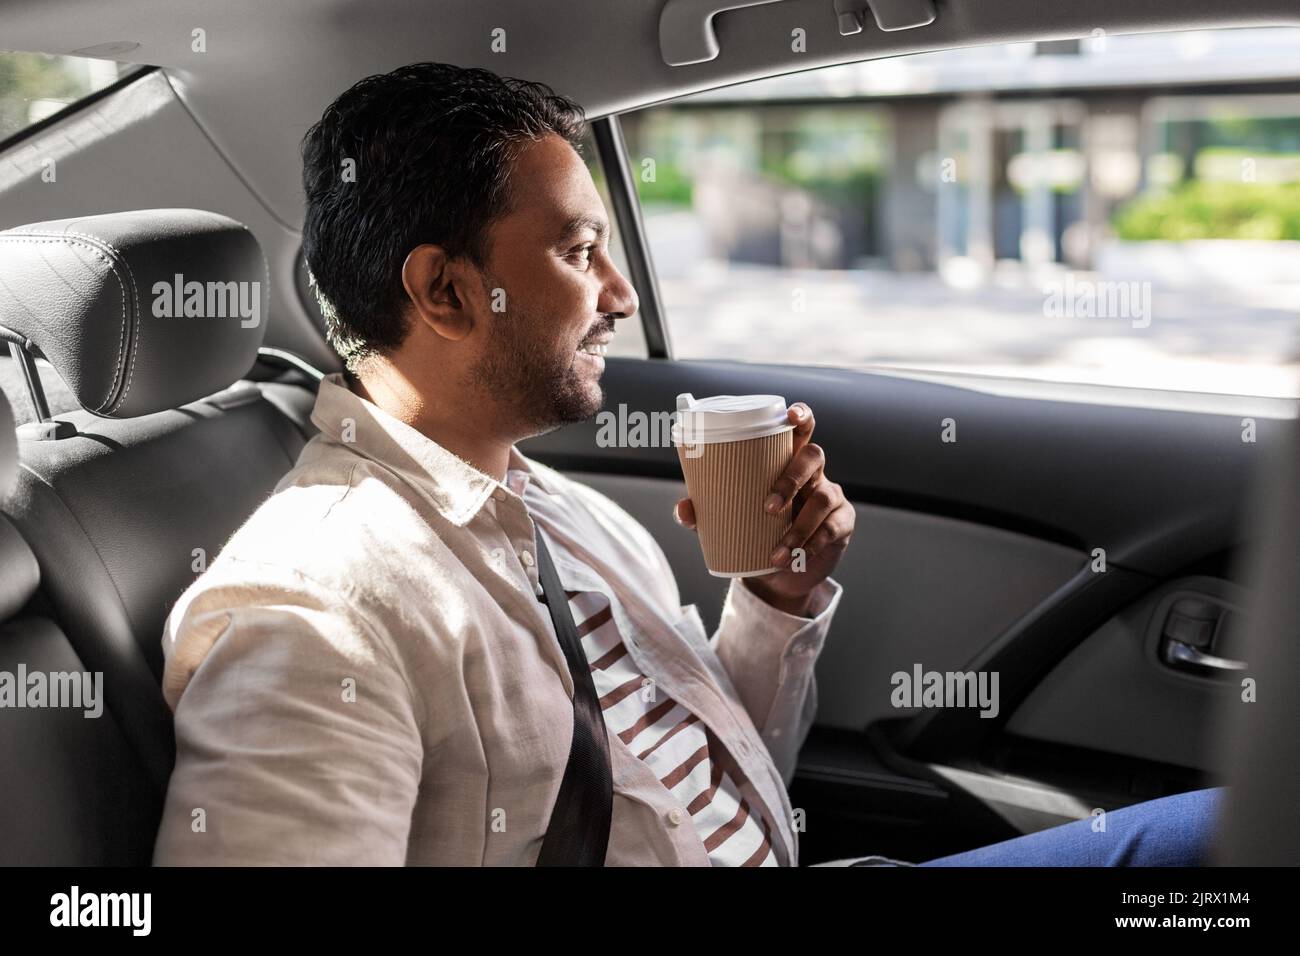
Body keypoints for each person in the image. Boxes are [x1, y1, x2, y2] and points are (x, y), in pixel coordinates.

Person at [151, 61, 1219, 867]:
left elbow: (718, 779)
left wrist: (773, 599)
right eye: (577, 252)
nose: (617, 294)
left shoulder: (555, 507)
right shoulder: (312, 606)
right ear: (444, 291)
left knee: (1230, 840)